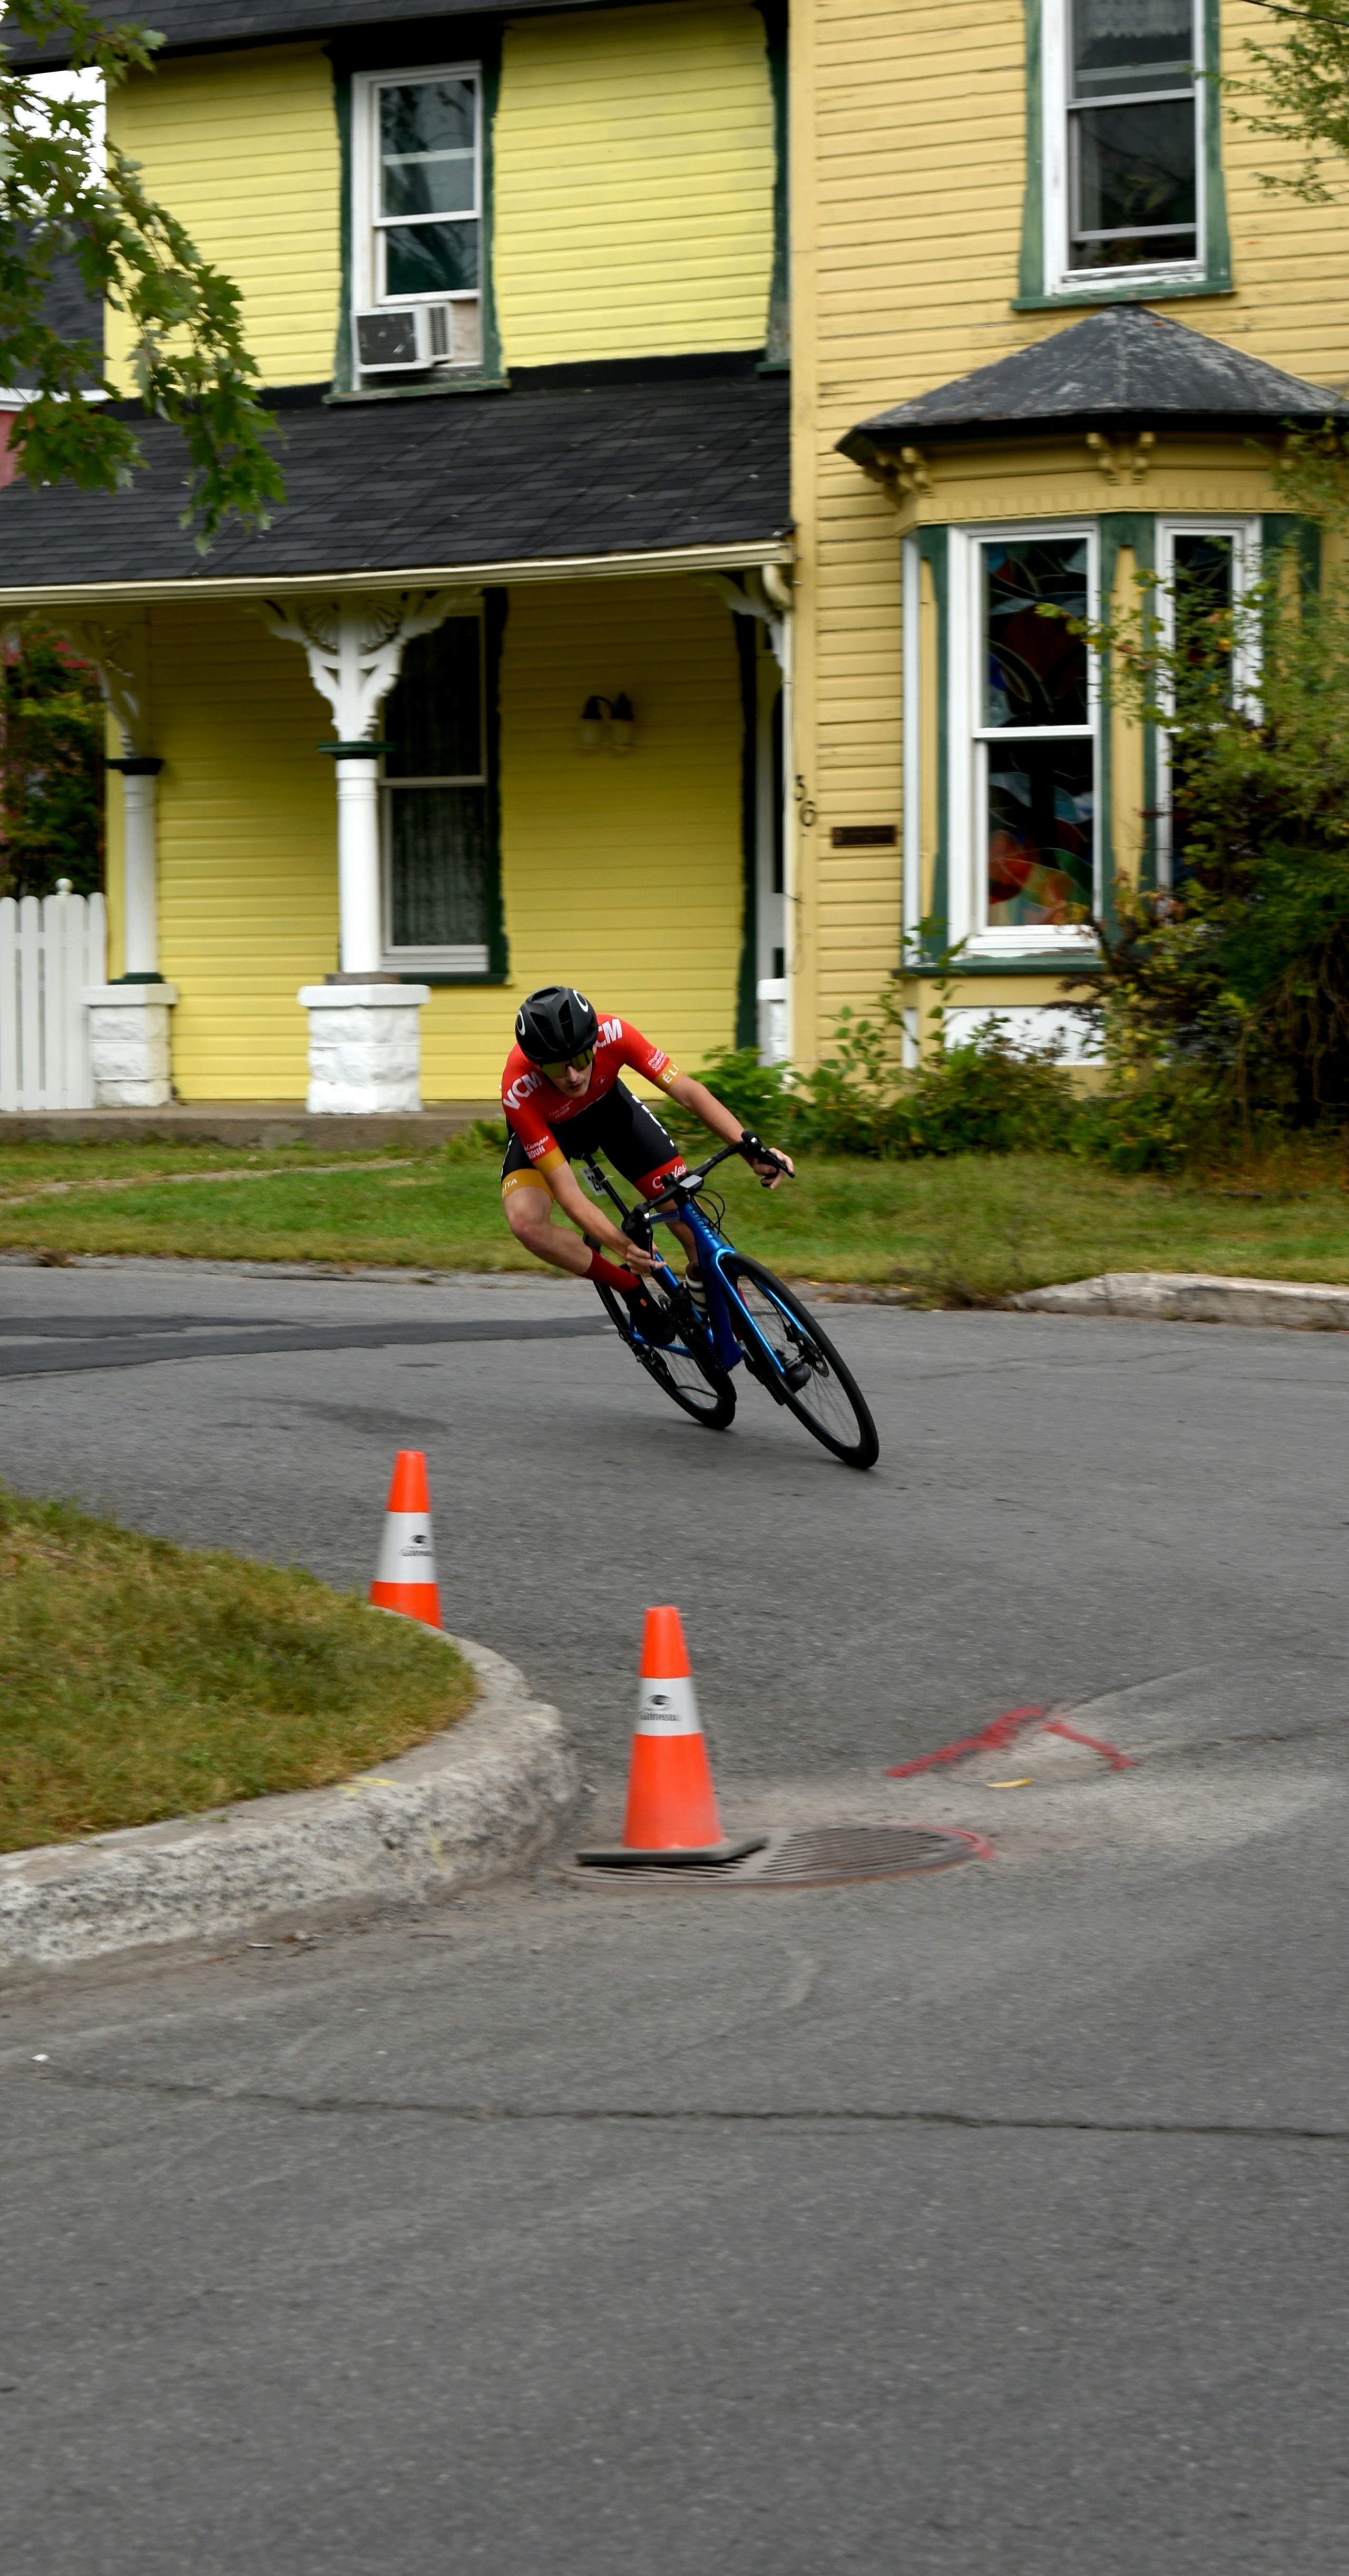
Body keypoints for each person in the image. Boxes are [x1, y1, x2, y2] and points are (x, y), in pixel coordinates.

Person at [500, 985, 792, 1315]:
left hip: (611, 1114)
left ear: (594, 1042)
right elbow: (569, 1194)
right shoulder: (518, 1089)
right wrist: (623, 1247)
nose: (573, 1075)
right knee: (526, 1223)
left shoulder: (616, 1033)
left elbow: (689, 1093)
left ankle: (706, 1289)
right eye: (556, 1068)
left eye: (581, 1059)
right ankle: (629, 1289)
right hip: (550, 1130)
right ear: (538, 1066)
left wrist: (752, 1151)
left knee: (692, 1224)